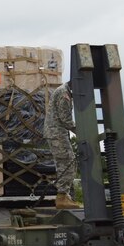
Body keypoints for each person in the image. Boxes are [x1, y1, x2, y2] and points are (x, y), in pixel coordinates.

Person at [45, 81, 81, 209]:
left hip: (57, 133)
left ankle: (64, 195)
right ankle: (62, 196)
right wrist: (82, 131)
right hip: (57, 133)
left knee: (65, 162)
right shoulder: (64, 94)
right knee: (67, 162)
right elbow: (65, 119)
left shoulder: (63, 91)